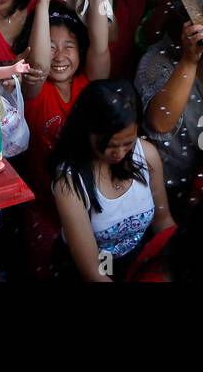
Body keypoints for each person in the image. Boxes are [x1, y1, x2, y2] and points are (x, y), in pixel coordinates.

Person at [51, 80, 174, 280]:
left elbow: (163, 221)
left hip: (136, 260)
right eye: (109, 145)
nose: (119, 153)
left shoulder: (147, 155)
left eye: (128, 143)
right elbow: (92, 271)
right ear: (87, 132)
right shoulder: (70, 184)